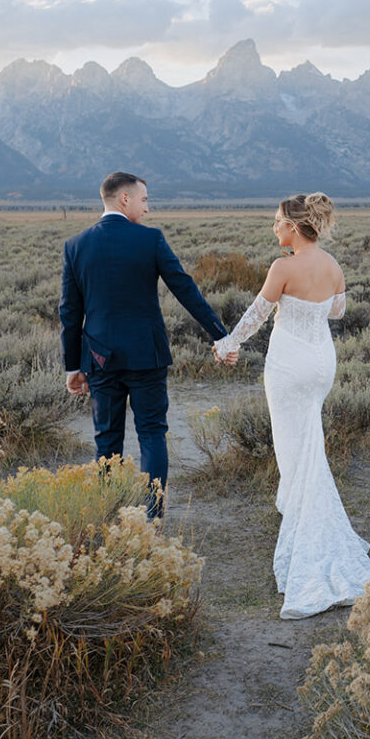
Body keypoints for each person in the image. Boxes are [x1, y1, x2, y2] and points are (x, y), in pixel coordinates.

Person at [214, 192, 370, 619]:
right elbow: (337, 311)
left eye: (277, 221)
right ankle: (317, 527)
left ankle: (311, 544)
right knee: (310, 448)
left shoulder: (282, 267)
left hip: (289, 367)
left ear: (293, 226)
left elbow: (257, 314)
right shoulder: (333, 266)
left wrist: (228, 344)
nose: (274, 228)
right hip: (321, 363)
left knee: (295, 453)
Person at [60, 171, 227, 519]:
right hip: (146, 355)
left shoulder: (75, 245)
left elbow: (69, 312)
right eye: (144, 200)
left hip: (99, 357)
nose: (147, 209)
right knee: (152, 433)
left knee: (106, 438)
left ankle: (108, 514)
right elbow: (184, 288)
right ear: (125, 199)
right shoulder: (150, 240)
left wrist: (73, 366)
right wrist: (219, 334)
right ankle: (152, 515)